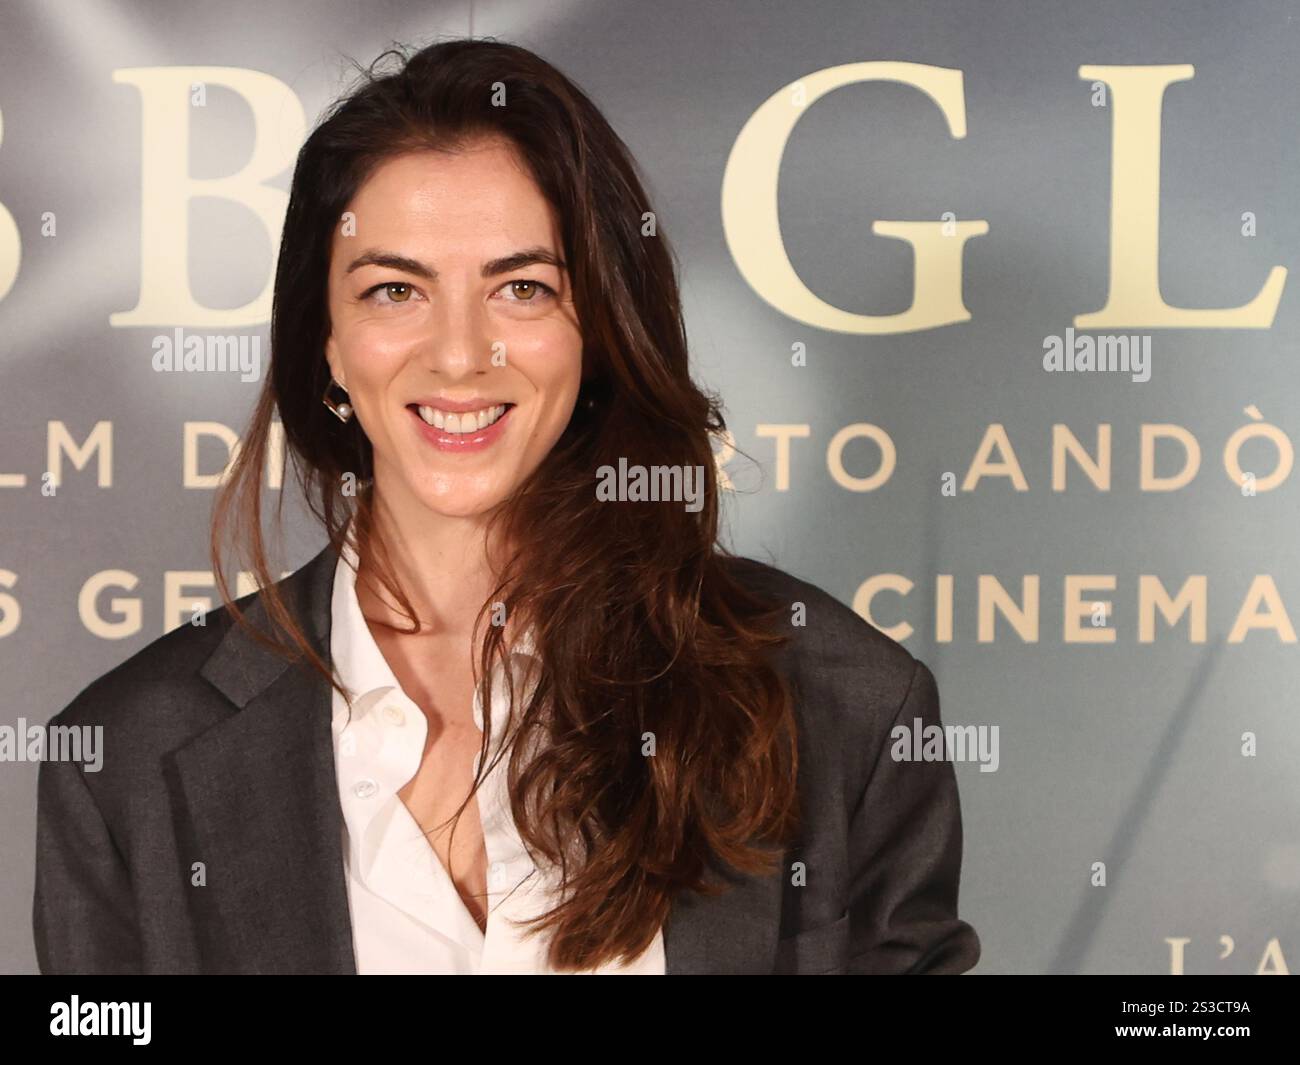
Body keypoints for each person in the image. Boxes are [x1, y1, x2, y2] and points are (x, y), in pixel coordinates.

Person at [33, 37, 979, 974]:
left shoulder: (844, 701)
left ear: (600, 328)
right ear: (326, 338)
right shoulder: (124, 759)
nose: (458, 353)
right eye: (395, 289)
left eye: (522, 288)